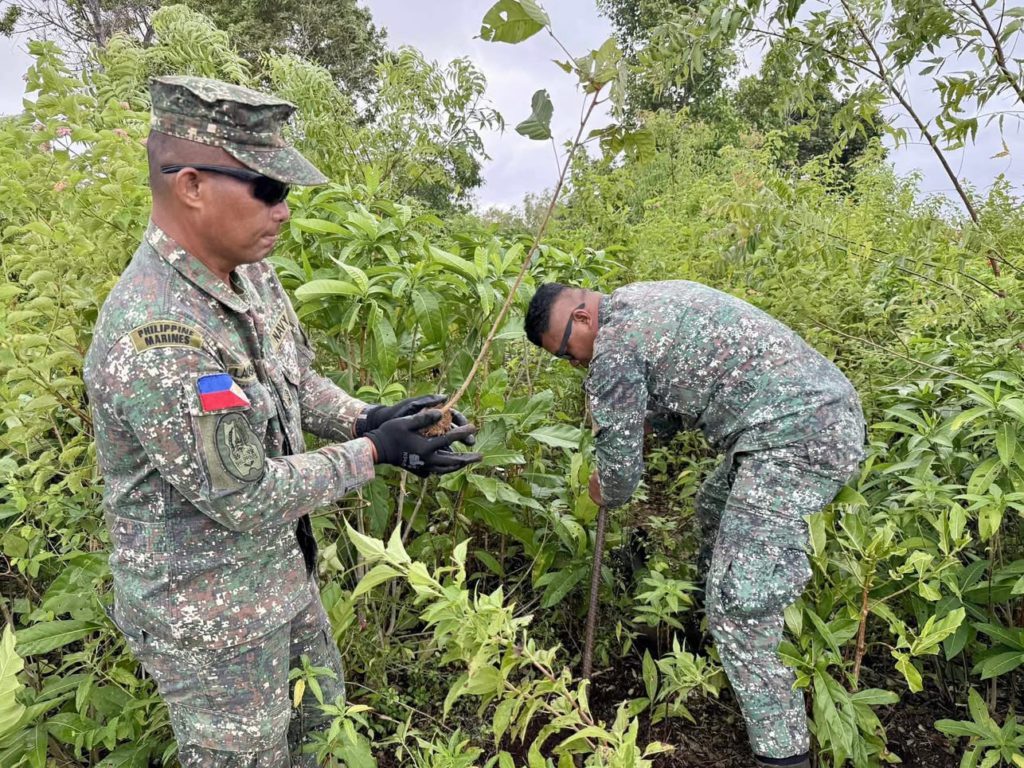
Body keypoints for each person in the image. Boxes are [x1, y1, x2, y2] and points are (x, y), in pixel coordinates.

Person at [83, 75, 481, 766]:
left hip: (279, 580)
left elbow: (293, 383)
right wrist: (375, 454)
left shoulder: (247, 273)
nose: (285, 210)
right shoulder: (157, 333)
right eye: (268, 189)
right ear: (191, 186)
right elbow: (245, 493)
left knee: (322, 732)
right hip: (209, 622)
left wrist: (371, 418)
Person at [523, 280, 866, 768]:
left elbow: (620, 478)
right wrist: (646, 422)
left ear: (581, 318)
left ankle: (783, 753)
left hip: (798, 438)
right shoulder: (639, 298)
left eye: (565, 352)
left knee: (741, 606)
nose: (574, 363)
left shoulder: (613, 349)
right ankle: (712, 642)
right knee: (713, 506)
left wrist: (605, 485)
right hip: (817, 413)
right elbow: (687, 381)